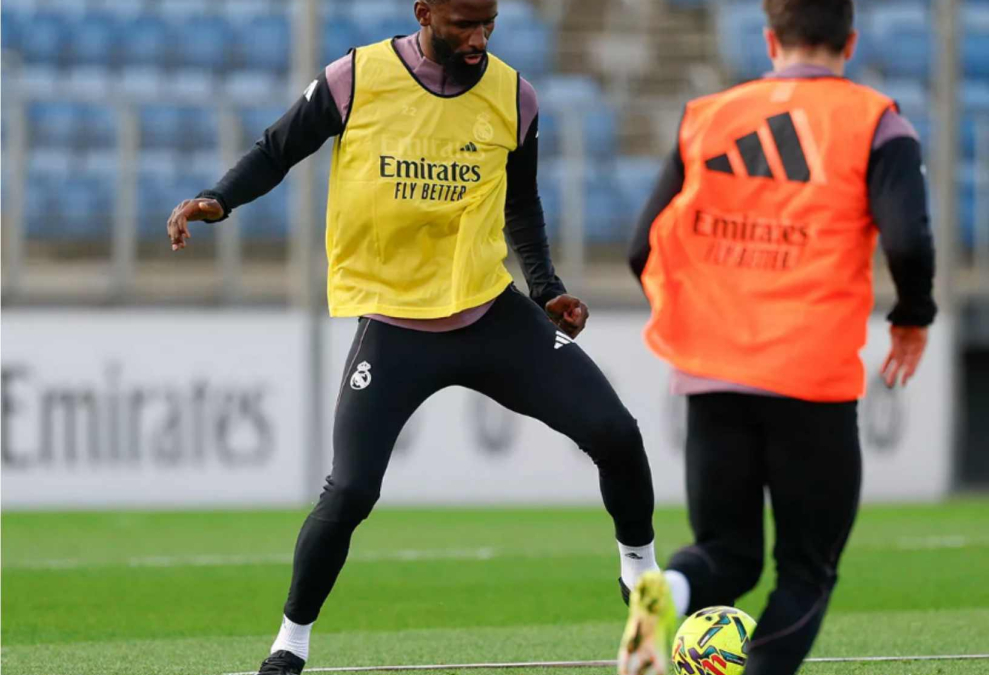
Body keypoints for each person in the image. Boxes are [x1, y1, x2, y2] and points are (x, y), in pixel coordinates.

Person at [166, 2, 660, 674]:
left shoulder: (515, 96)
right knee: (349, 494)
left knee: (616, 432)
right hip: (396, 325)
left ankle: (639, 568)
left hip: (489, 312)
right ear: (424, 12)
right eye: (463, 23)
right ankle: (291, 641)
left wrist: (545, 289)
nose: (478, 37)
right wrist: (218, 198)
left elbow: (522, 202)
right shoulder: (356, 78)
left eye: (488, 22)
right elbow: (278, 149)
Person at [616, 0, 937, 673]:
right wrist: (913, 315)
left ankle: (663, 587)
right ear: (848, 42)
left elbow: (640, 246)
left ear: (769, 39)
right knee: (807, 568)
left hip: (711, 373)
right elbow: (908, 237)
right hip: (808, 374)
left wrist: (698, 313)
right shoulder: (877, 122)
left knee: (725, 555)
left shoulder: (707, 116)